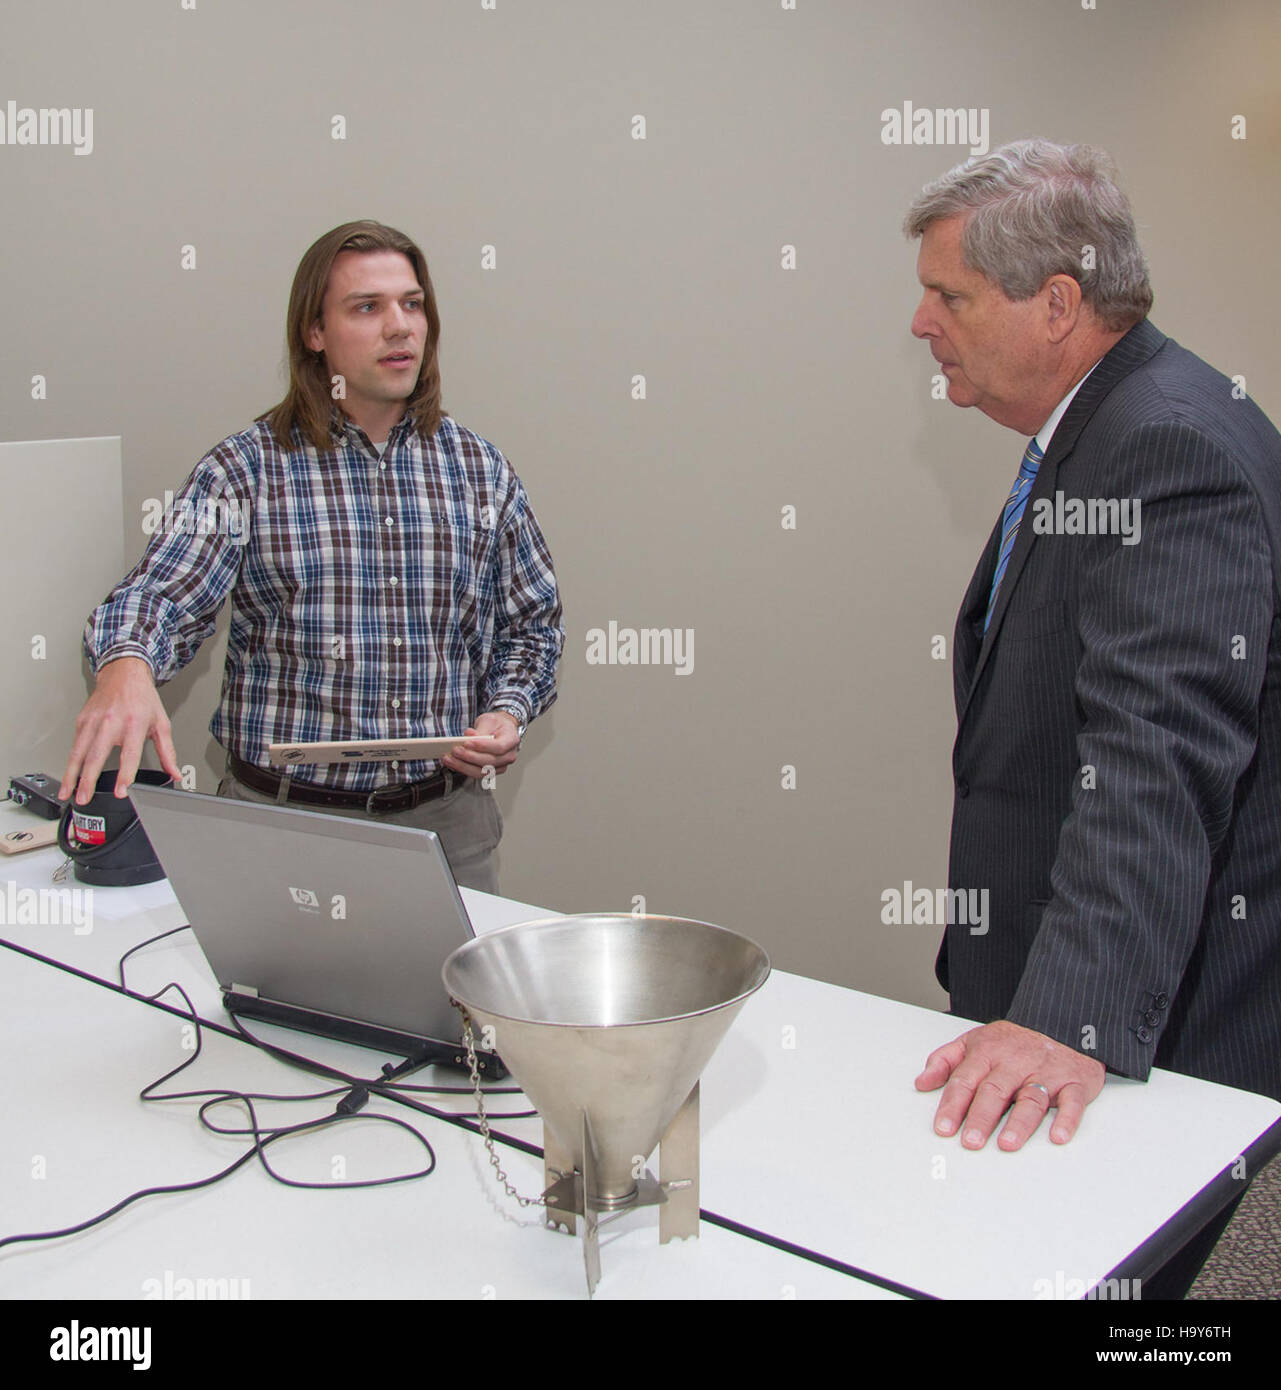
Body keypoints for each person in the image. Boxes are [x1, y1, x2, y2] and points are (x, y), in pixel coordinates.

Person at [904, 140, 1281, 1295]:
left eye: (949, 294)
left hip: (1156, 1024)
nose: (922, 323)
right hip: (1059, 985)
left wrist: (1065, 1016)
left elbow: (1154, 756)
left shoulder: (1166, 446)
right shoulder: (1097, 428)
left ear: (1056, 302)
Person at [60, 220, 564, 894]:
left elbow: (532, 625)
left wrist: (505, 711)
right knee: (260, 1004)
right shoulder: (245, 469)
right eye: (367, 307)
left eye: (412, 304)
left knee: (449, 1005)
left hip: (447, 831)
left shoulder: (481, 471)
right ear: (314, 333)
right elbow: (162, 594)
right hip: (279, 827)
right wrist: (126, 664)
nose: (400, 327)